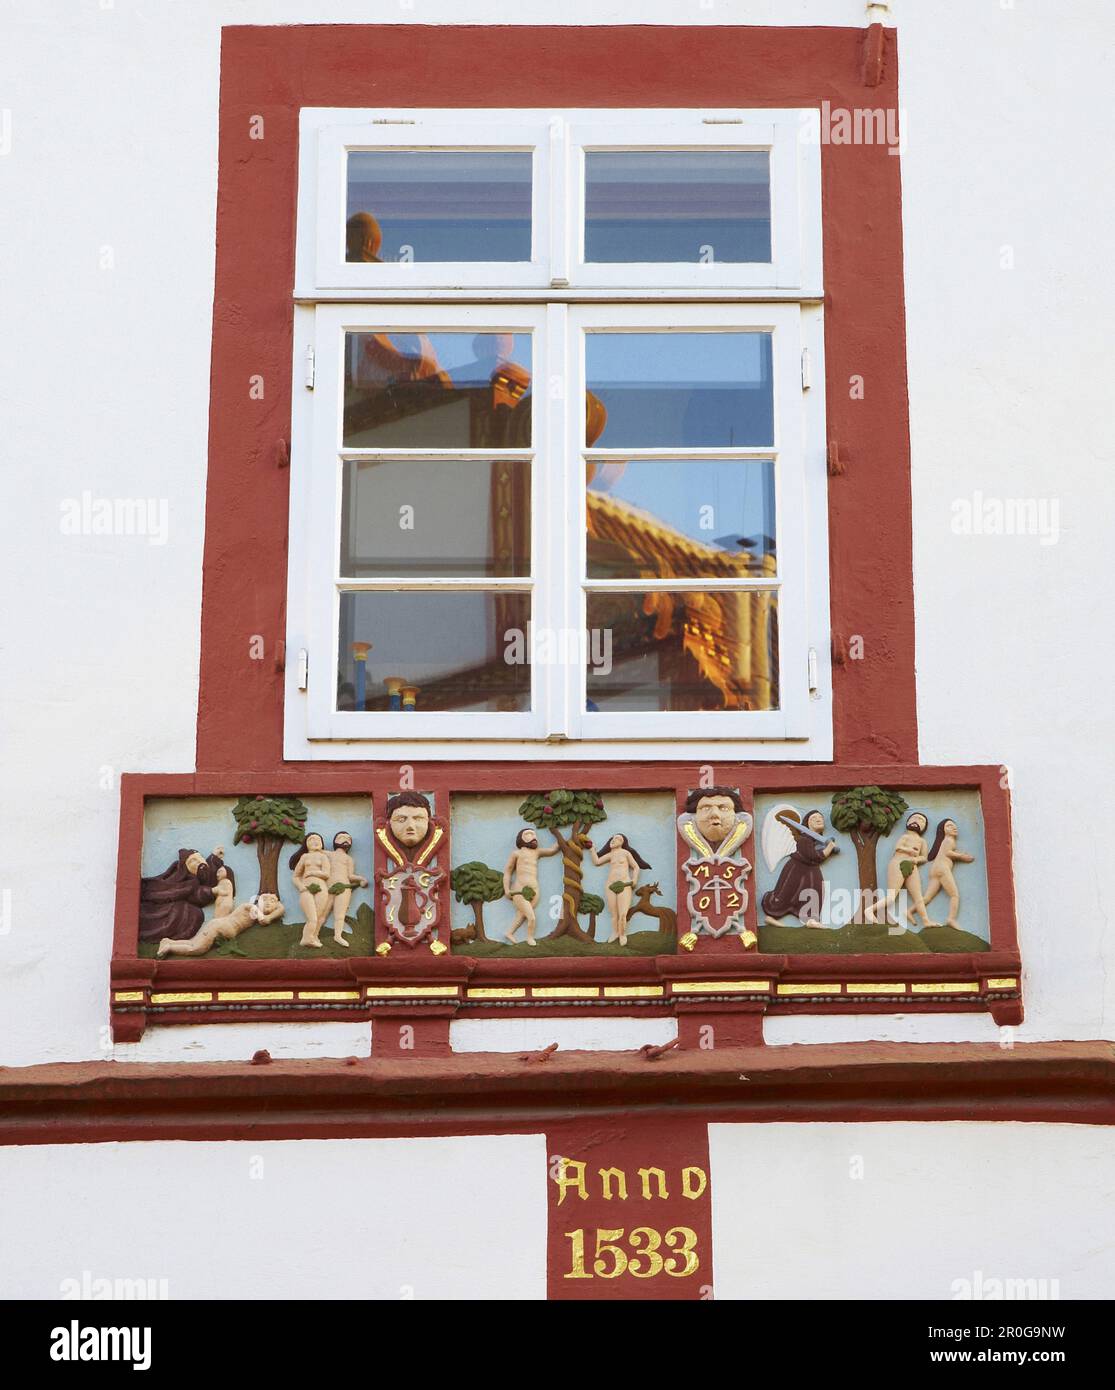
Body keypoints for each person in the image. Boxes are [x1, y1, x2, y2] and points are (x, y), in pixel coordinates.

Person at [761, 810, 838, 928]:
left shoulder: (815, 840)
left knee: (815, 891)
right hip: (796, 871)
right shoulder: (804, 839)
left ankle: (811, 920)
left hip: (810, 871)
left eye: (821, 818)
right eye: (814, 818)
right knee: (786, 895)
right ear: (807, 824)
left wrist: (828, 848)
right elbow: (813, 856)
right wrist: (829, 849)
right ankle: (771, 917)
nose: (819, 819)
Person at [157, 892, 285, 959]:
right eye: (269, 904)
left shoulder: (254, 913)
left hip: (219, 925)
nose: (270, 908)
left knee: (192, 943)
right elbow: (261, 916)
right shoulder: (250, 907)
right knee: (197, 948)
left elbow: (281, 909)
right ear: (262, 900)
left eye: (272, 908)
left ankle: (168, 942)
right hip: (220, 926)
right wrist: (266, 916)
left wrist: (272, 913)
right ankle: (169, 947)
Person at [865, 811, 931, 931]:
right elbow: (898, 847)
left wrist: (916, 858)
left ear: (924, 827)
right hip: (898, 863)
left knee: (918, 897)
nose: (917, 820)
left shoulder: (922, 841)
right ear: (908, 821)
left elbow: (924, 857)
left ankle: (926, 921)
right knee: (891, 897)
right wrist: (909, 851)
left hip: (911, 865)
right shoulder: (905, 837)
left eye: (921, 820)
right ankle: (869, 910)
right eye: (914, 818)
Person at [139, 848, 221, 942]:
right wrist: (212, 891)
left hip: (187, 909)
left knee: (194, 913)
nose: (198, 861)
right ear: (185, 868)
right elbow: (188, 893)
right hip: (167, 908)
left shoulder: (203, 876)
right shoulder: (185, 880)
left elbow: (208, 875)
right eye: (192, 861)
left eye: (200, 857)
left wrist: (214, 858)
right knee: (187, 912)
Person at [588, 834, 652, 947]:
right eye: (613, 838)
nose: (614, 840)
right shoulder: (610, 855)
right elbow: (597, 861)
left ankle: (622, 934)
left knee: (622, 914)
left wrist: (634, 879)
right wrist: (592, 850)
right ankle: (615, 932)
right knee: (614, 914)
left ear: (622, 842)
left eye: (617, 838)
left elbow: (636, 867)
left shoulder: (626, 853)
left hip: (624, 884)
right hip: (610, 885)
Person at [502, 828, 560, 946]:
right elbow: (508, 872)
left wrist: (560, 837)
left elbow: (553, 850)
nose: (533, 836)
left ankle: (509, 932)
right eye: (528, 834)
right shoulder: (516, 853)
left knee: (522, 914)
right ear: (521, 838)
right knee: (531, 917)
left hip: (535, 890)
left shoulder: (536, 852)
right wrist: (507, 889)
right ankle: (530, 938)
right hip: (520, 890)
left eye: (534, 834)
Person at [922, 818, 975, 928]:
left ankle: (909, 911)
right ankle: (951, 919)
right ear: (943, 830)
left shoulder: (945, 841)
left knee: (927, 897)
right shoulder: (949, 840)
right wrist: (962, 856)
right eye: (949, 826)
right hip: (942, 868)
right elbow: (948, 852)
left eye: (954, 825)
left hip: (935, 869)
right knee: (954, 895)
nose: (954, 827)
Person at [289, 832, 333, 948]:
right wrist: (300, 886)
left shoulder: (323, 857)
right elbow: (295, 876)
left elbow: (326, 874)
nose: (315, 841)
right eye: (311, 840)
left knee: (318, 916)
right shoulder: (304, 857)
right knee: (312, 917)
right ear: (306, 844)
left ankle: (312, 937)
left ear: (322, 843)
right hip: (306, 888)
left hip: (321, 888)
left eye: (317, 839)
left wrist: (312, 872)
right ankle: (306, 939)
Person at [325, 831, 368, 948]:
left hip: (344, 887)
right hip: (328, 887)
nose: (345, 839)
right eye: (341, 837)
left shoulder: (349, 859)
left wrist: (361, 879)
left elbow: (350, 876)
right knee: (322, 912)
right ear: (335, 841)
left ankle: (337, 936)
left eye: (348, 839)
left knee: (340, 914)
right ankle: (313, 934)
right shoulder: (327, 854)